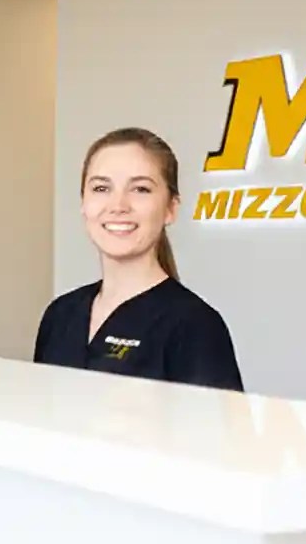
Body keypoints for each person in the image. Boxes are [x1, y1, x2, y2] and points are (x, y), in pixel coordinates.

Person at [33, 127, 244, 392]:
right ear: (83, 204)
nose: (118, 205)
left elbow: (214, 432)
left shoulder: (194, 325)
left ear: (170, 209)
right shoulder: (60, 315)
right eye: (101, 188)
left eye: (140, 189)